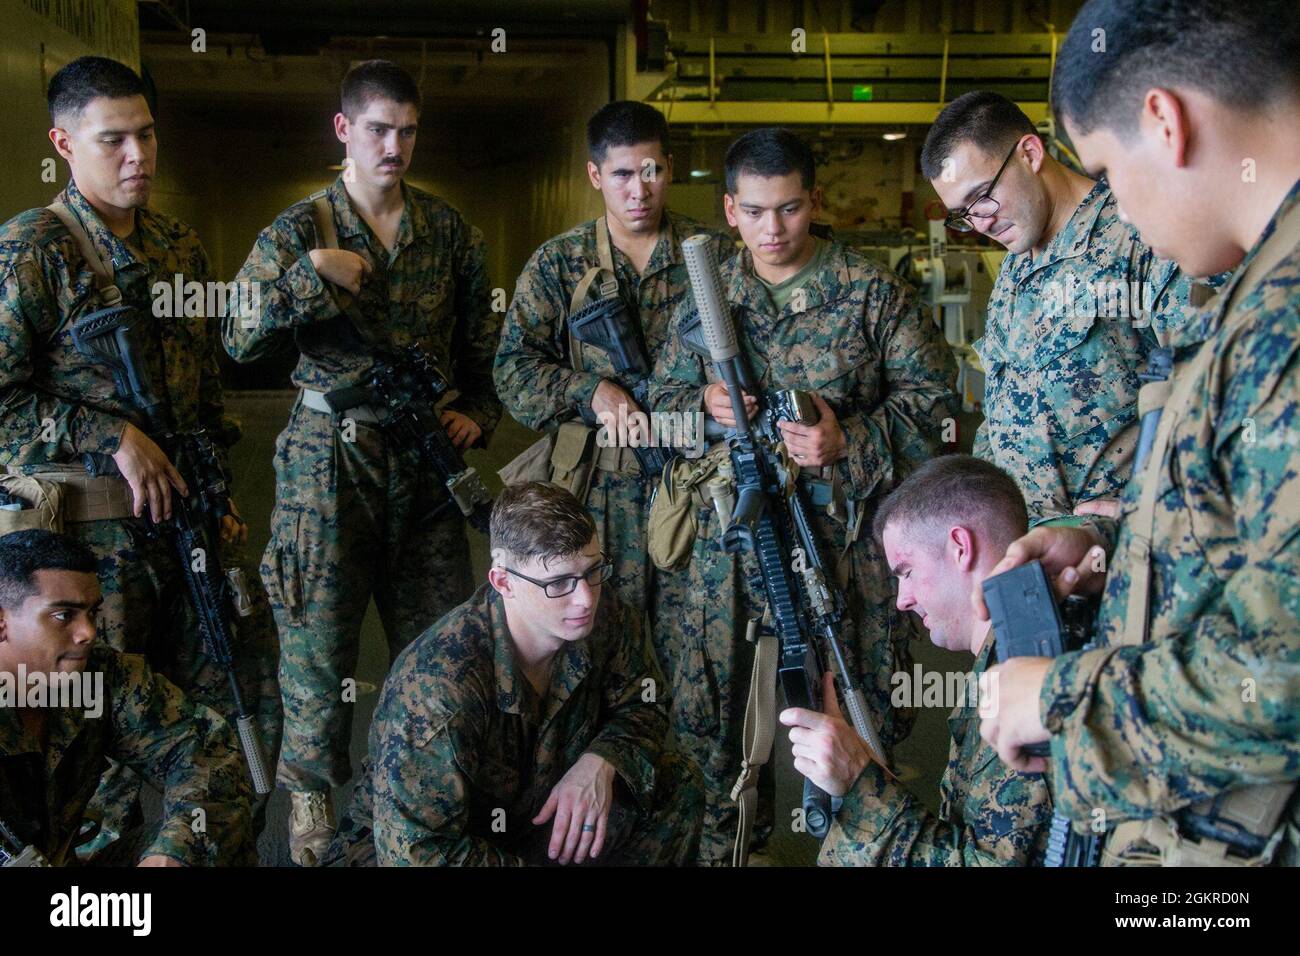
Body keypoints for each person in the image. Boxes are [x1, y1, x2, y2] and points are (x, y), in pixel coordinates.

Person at [976, 0, 1300, 867]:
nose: (1121, 211)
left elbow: (1284, 674)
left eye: (1110, 175)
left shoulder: (1284, 318)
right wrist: (1105, 536)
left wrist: (1060, 699)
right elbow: (1246, 537)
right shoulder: (1256, 293)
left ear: (1164, 119)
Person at [648, 127, 959, 863]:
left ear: (814, 201)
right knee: (717, 742)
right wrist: (703, 405)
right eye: (755, 212)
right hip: (732, 562)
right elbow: (656, 411)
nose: (773, 229)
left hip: (843, 562)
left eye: (789, 209)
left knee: (857, 729)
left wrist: (851, 439)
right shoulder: (705, 298)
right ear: (729, 210)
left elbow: (938, 408)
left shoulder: (871, 294)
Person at [0, 55, 280, 860]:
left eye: (147, 135)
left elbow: (201, 399)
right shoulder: (30, 251)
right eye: (112, 139)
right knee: (96, 761)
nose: (137, 157)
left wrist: (217, 490)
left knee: (225, 717)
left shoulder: (177, 245)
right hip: (91, 556)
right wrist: (110, 435)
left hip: (186, 532)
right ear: (62, 143)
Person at [223, 59, 501, 865]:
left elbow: (484, 354)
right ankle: (310, 798)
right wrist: (311, 278)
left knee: (438, 635)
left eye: (408, 130)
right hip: (326, 459)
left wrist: (475, 417)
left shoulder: (449, 232)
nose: (395, 145)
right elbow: (239, 336)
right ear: (343, 129)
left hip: (422, 457)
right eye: (378, 128)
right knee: (317, 632)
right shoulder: (298, 230)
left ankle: (416, 788)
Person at [359, 481, 700, 866]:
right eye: (558, 583)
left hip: (529, 819)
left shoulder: (603, 618)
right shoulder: (436, 686)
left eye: (592, 570)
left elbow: (645, 701)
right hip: (431, 847)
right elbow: (417, 852)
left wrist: (601, 761)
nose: (585, 598)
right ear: (504, 582)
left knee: (676, 783)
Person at [923, 90, 1210, 524]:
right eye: (963, 214)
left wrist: (1151, 513)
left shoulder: (1139, 240)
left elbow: (1211, 397)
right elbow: (1000, 413)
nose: (980, 223)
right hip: (1029, 550)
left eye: (982, 196)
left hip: (1111, 557)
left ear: (1030, 153)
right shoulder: (1016, 269)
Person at [493, 100, 733, 617]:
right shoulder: (560, 263)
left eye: (652, 171)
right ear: (594, 175)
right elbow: (513, 370)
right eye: (622, 174)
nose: (639, 190)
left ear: (668, 167)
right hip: (599, 492)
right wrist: (590, 392)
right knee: (599, 642)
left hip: (695, 481)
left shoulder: (713, 256)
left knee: (698, 649)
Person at [783, 455, 1053, 865]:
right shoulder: (1011, 655)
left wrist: (861, 785)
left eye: (906, 572)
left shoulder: (1026, 680)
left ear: (961, 547)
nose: (902, 599)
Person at [0, 529, 255, 866]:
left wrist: (173, 853)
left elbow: (206, 751)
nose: (88, 632)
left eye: (91, 612)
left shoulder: (99, 678)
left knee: (205, 840)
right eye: (64, 615)